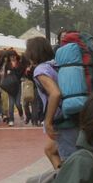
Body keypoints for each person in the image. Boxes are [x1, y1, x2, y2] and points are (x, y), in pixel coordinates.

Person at [25, 37, 73, 167]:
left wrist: (48, 121)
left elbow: (55, 93)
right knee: (50, 150)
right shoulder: (56, 64)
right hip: (73, 113)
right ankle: (60, 180)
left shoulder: (41, 70)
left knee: (70, 162)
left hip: (63, 119)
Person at [0, 51, 25, 127]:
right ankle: (11, 120)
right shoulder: (7, 65)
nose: (12, 57)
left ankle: (21, 113)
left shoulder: (20, 65)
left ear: (16, 56)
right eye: (11, 56)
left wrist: (13, 70)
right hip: (10, 86)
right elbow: (6, 75)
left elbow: (21, 74)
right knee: (11, 104)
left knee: (18, 103)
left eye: (14, 56)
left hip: (17, 86)